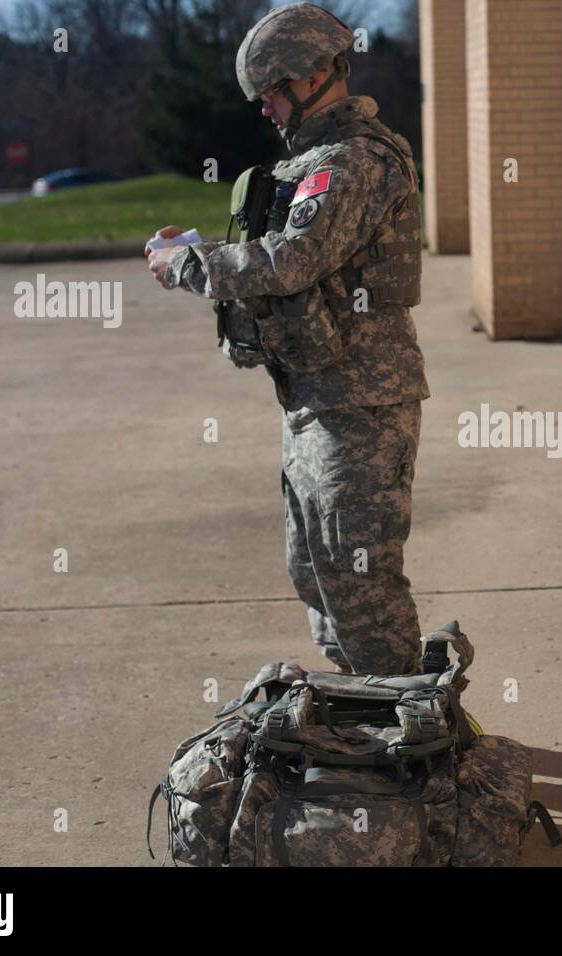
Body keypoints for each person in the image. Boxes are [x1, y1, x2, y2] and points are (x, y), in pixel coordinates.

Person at [146, 2, 428, 676]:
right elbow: (284, 252)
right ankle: (367, 714)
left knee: (360, 582)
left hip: (360, 403)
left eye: (271, 92)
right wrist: (200, 248)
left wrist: (189, 265)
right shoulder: (316, 162)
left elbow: (290, 260)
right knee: (317, 570)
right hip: (314, 394)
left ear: (315, 76)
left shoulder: (353, 161)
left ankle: (408, 734)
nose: (265, 110)